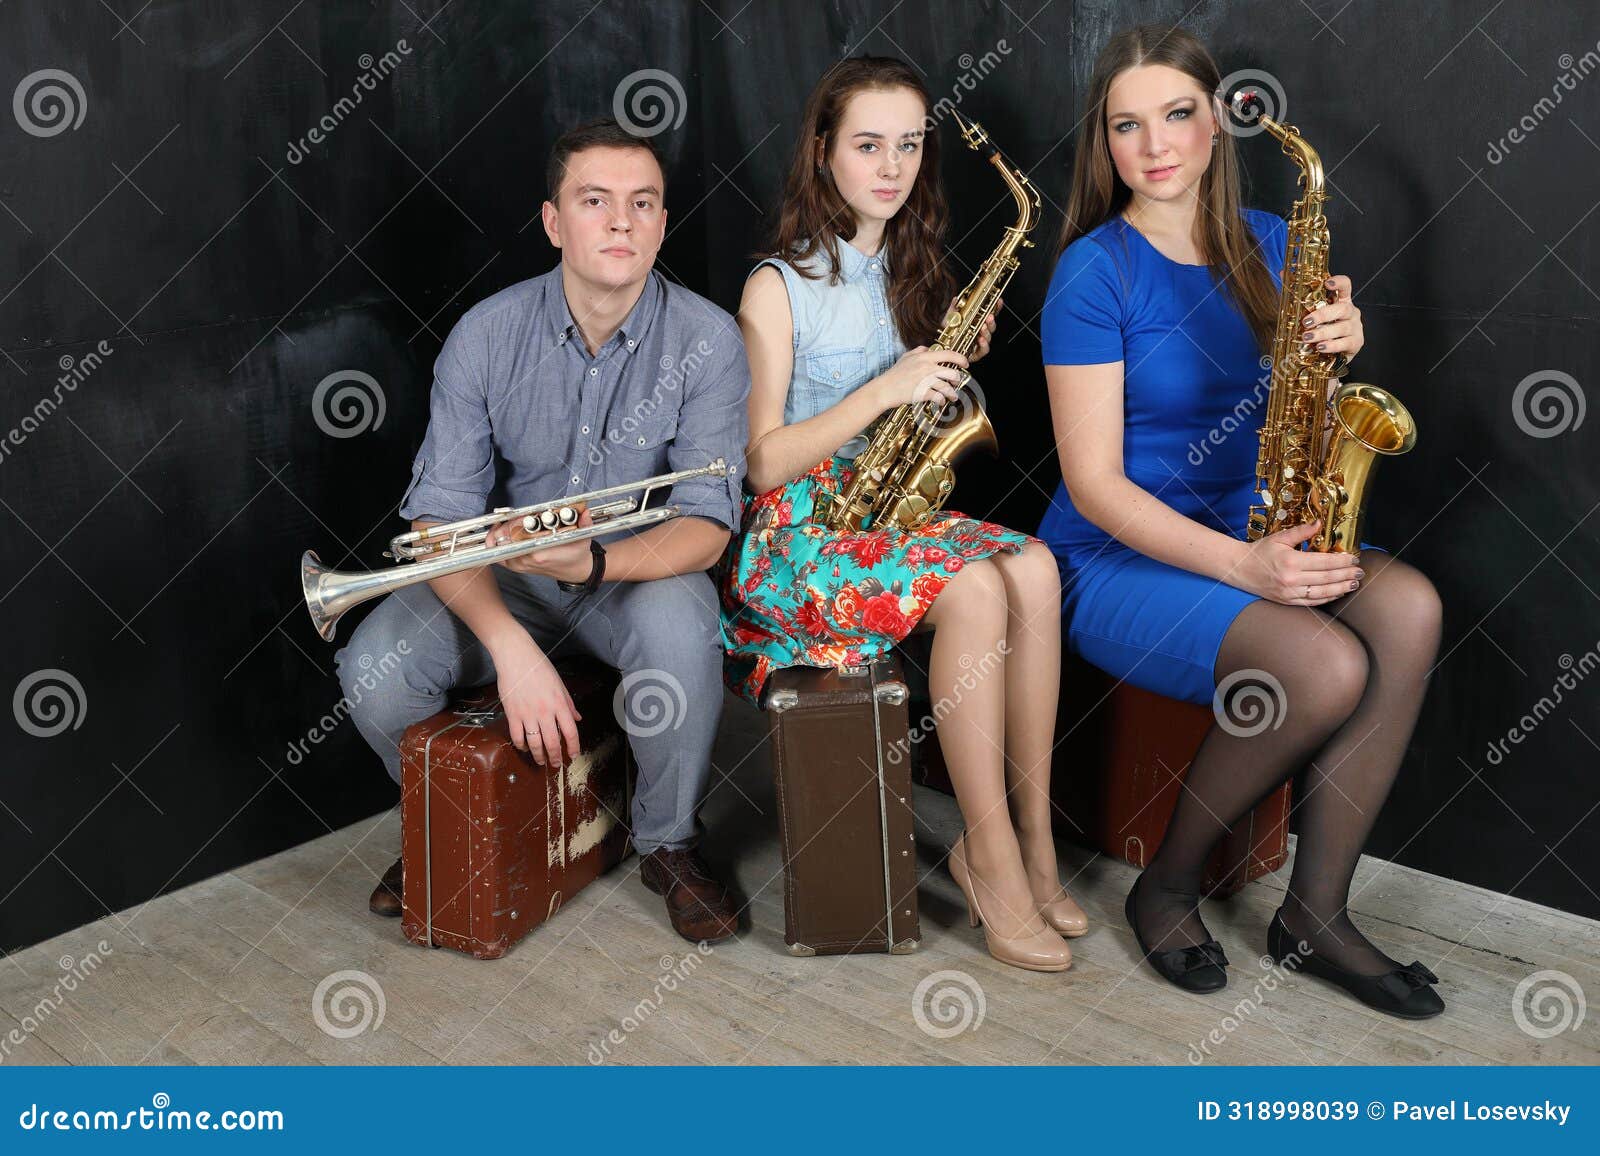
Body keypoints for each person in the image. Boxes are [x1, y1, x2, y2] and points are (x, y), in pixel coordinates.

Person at [1039, 25, 1444, 1016]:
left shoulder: (1272, 242)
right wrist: (1245, 569)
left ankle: (1314, 913)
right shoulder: (1094, 271)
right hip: (1119, 552)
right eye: (1126, 124)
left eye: (1175, 113)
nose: (1154, 144)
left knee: (1411, 609)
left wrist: (1339, 345)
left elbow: (1297, 410)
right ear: (1106, 141)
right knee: (1324, 664)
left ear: (1216, 120)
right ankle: (1167, 885)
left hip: (1253, 525)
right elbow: (1094, 487)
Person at [335, 118, 751, 944]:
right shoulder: (486, 335)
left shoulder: (707, 340)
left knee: (686, 635)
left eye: (642, 204)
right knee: (373, 669)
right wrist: (510, 647)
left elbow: (706, 529)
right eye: (595, 202)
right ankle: (446, 822)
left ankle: (667, 841)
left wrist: (598, 562)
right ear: (556, 222)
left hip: (632, 572)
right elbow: (439, 522)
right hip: (510, 581)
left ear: (664, 223)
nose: (621, 222)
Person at [720, 56, 1084, 973]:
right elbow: (761, 459)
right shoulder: (777, 284)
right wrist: (888, 385)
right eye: (868, 144)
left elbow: (920, 423)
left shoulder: (908, 269)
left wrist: (953, 366)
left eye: (910, 144)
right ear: (823, 152)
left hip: (878, 514)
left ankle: (1035, 844)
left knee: (1036, 568)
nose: (892, 165)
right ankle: (989, 858)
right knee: (968, 591)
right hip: (797, 536)